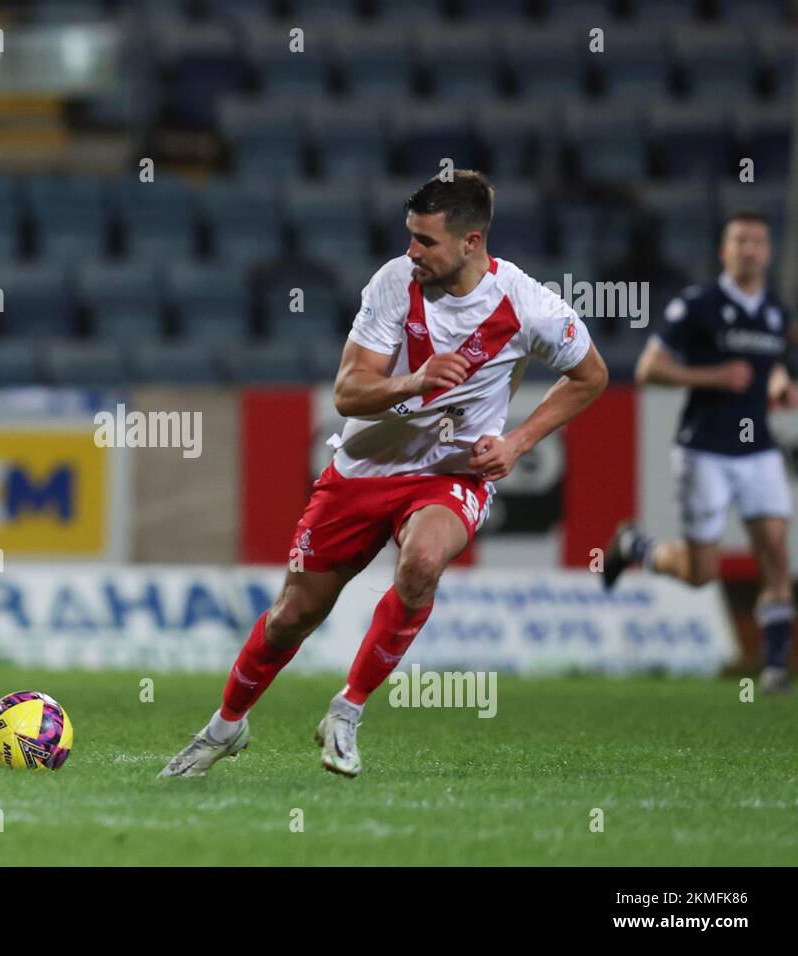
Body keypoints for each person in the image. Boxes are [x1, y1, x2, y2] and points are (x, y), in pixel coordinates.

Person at [159, 171, 609, 778]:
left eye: (426, 241)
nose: (412, 252)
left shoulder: (528, 304)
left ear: (472, 242)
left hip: (452, 474)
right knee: (294, 614)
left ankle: (346, 711)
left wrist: (520, 441)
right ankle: (225, 726)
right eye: (409, 237)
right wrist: (415, 381)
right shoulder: (394, 284)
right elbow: (349, 391)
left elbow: (591, 375)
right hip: (366, 465)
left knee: (422, 563)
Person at [604, 212, 797, 694]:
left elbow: (770, 366)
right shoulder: (698, 305)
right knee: (701, 573)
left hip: (758, 451)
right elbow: (649, 369)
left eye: (757, 241)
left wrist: (781, 383)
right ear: (723, 252)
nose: (749, 249)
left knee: (775, 551)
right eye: (740, 240)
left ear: (768, 252)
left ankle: (774, 670)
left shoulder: (776, 311)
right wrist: (714, 376)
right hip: (704, 449)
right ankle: (636, 547)